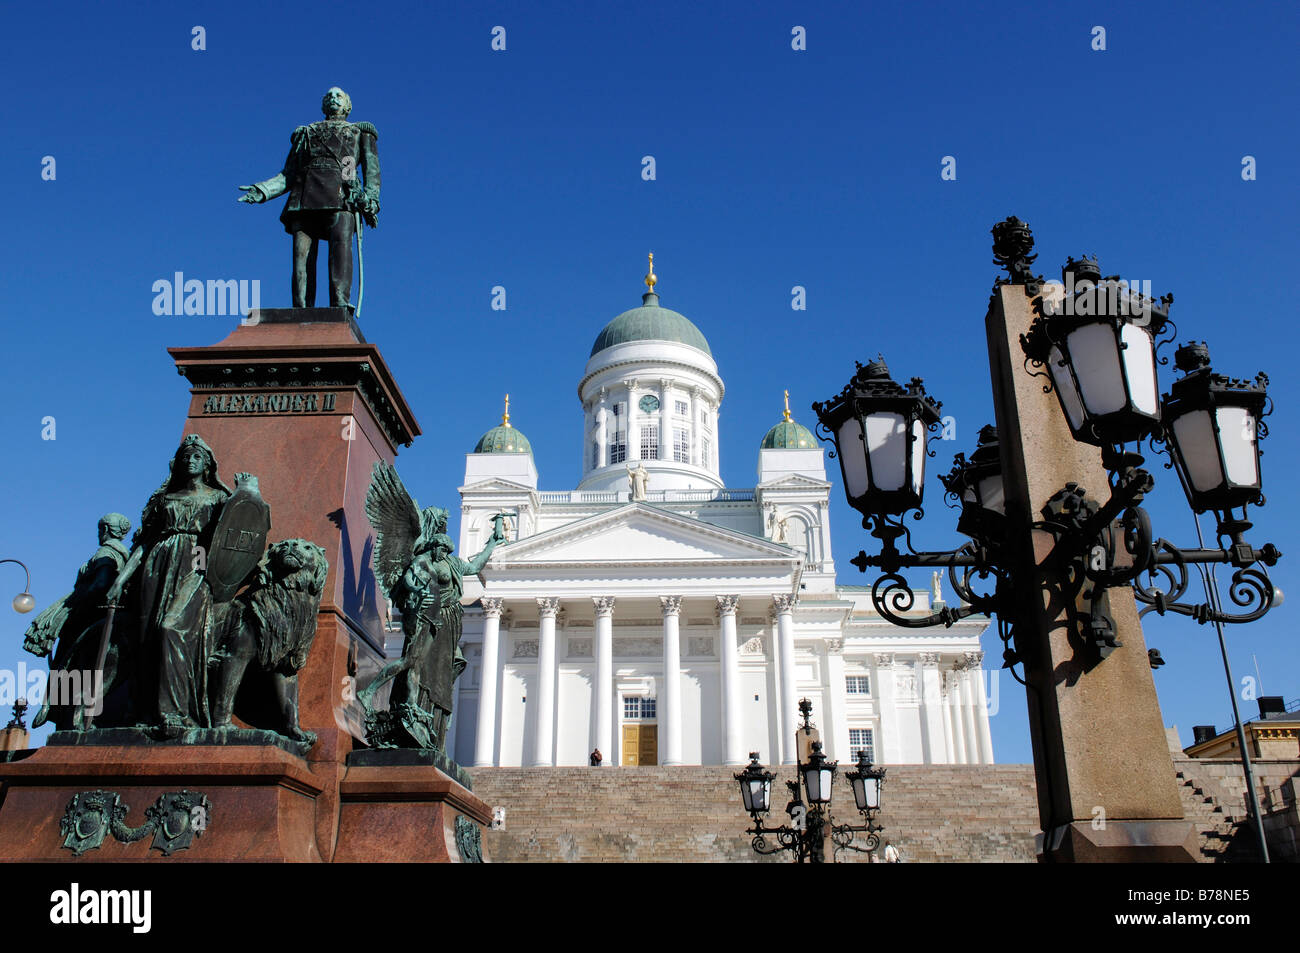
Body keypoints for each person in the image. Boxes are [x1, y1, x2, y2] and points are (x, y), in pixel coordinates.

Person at [106, 435, 232, 736]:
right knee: (149, 635)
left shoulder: (218, 498)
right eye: (186, 456)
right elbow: (144, 542)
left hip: (196, 562)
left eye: (197, 457)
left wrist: (204, 571)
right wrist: (120, 580)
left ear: (207, 465)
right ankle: (148, 710)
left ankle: (177, 711)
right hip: (158, 564)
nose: (191, 460)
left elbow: (232, 537)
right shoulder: (165, 499)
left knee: (171, 628)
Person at [239, 87, 380, 309]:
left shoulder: (360, 132)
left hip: (342, 195)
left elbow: (371, 172)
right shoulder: (306, 133)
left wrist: (370, 200)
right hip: (305, 198)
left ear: (347, 106)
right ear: (324, 104)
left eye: (339, 96)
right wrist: (263, 190)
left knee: (340, 251)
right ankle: (301, 310)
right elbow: (289, 174)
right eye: (329, 96)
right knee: (301, 260)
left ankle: (340, 306)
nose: (334, 99)